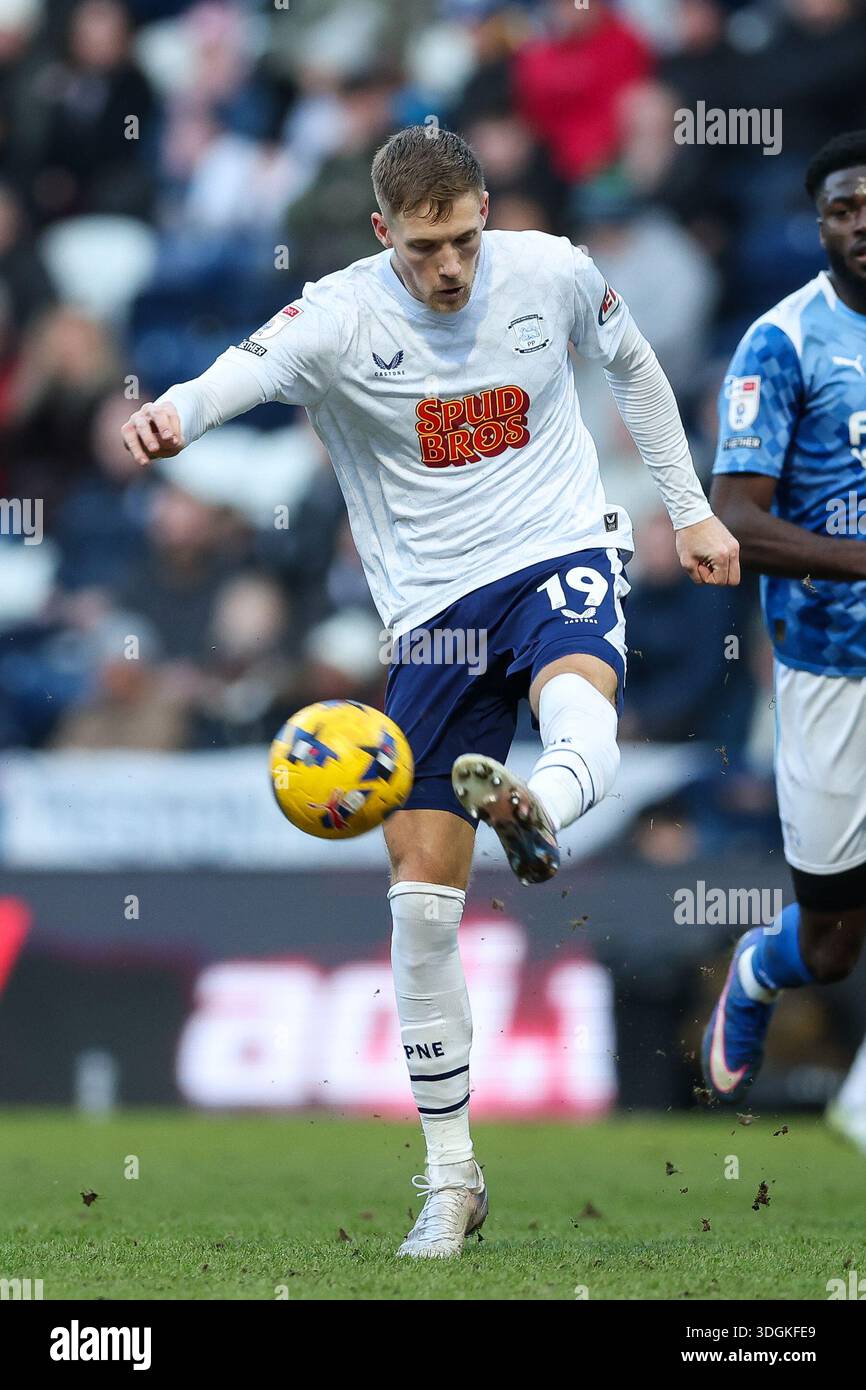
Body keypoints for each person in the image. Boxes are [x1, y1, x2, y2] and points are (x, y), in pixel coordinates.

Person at [121, 126, 738, 1257]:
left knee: (577, 692)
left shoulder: (552, 271)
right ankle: (452, 1176)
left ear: (486, 212)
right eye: (423, 248)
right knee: (419, 909)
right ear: (381, 233)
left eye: (462, 239)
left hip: (558, 545)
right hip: (432, 615)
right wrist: (175, 414)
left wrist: (690, 509)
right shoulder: (338, 315)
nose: (449, 267)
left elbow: (636, 368)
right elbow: (241, 372)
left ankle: (541, 804)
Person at [703, 132, 866, 1132]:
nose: (861, 225)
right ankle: (760, 966)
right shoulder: (783, 341)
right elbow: (733, 521)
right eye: (843, 210)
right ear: (820, 226)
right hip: (829, 667)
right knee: (833, 942)